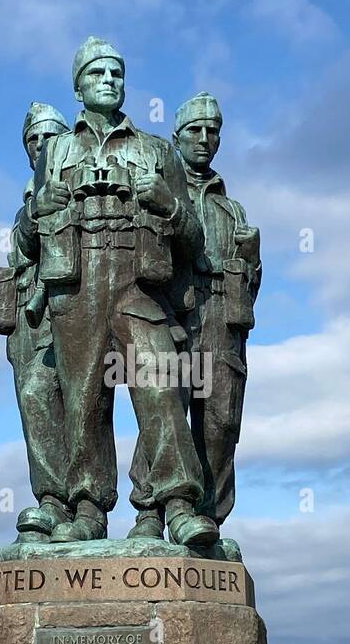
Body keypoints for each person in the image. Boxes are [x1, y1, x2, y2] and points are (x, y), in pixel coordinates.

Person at [25, 37, 216, 548]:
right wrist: (39, 208)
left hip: (138, 285)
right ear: (78, 87)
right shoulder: (56, 151)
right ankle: (88, 509)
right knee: (83, 403)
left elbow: (194, 239)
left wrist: (169, 205)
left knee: (160, 385)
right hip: (76, 287)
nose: (108, 81)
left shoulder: (156, 150)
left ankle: (177, 505)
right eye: (97, 73)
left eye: (116, 73)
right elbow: (25, 241)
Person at [129, 93, 260, 536]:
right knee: (165, 406)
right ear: (176, 137)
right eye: (195, 130)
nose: (205, 138)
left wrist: (251, 258)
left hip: (223, 318)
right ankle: (151, 511)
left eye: (213, 131)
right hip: (176, 311)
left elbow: (253, 282)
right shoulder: (159, 191)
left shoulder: (231, 208)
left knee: (222, 421)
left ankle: (206, 518)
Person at [0, 102, 71, 539]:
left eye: (48, 136)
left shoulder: (74, 184)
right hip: (27, 314)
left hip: (70, 305)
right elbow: (20, 249)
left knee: (65, 401)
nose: (40, 145)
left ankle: (78, 502)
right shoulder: (29, 196)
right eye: (32, 139)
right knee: (34, 403)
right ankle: (53, 502)